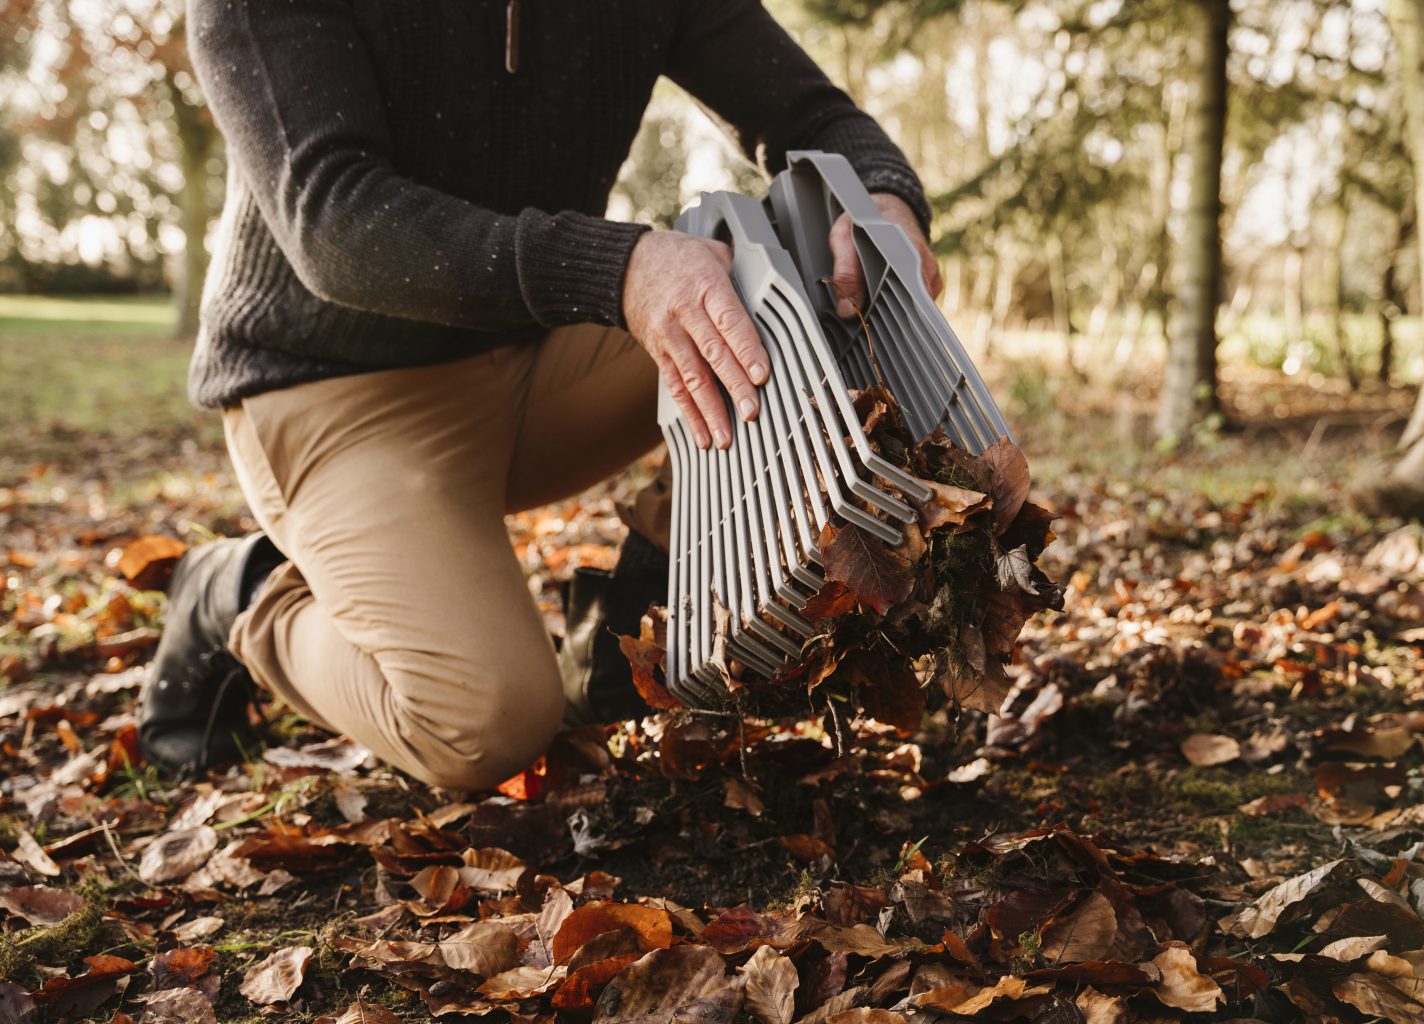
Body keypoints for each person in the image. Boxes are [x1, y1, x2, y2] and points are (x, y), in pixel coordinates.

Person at [138, 0, 943, 791]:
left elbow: (810, 114)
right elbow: (335, 224)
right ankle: (235, 592)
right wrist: (621, 267)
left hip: (540, 353)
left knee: (792, 278)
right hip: (332, 396)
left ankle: (640, 627)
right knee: (485, 722)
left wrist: (884, 198)